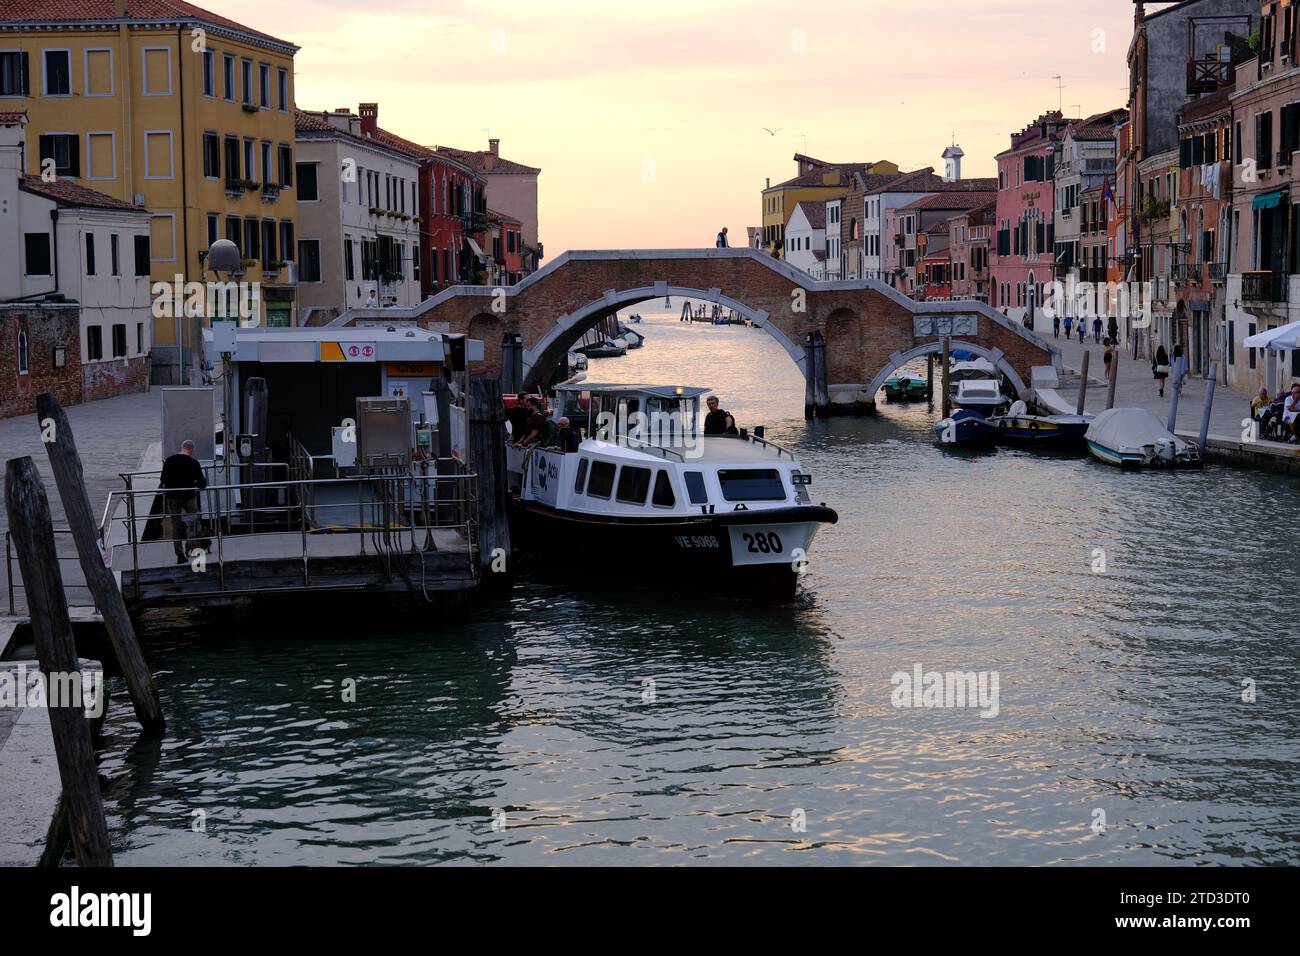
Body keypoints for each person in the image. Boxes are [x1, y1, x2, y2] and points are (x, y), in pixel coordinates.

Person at [160, 439, 207, 565]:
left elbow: (163, 479)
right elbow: (203, 484)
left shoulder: (169, 460)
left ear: (181, 448)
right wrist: (194, 483)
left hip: (172, 497)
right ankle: (185, 523)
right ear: (191, 450)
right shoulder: (193, 463)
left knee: (175, 526)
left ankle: (180, 556)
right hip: (188, 497)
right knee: (195, 515)